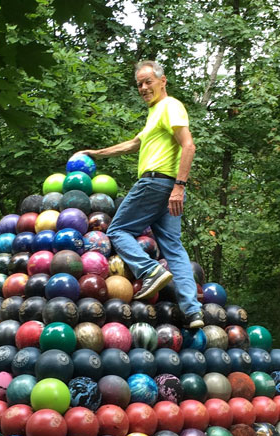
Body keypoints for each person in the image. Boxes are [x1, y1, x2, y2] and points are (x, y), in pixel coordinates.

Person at [75, 60, 203, 328]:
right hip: (166, 188)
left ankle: (149, 270)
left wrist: (180, 186)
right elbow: (134, 144)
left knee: (118, 230)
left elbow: (188, 145)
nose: (144, 88)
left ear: (163, 81)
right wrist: (95, 153)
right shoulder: (155, 113)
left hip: (157, 184)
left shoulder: (171, 106)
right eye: (140, 84)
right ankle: (193, 312)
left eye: (148, 82)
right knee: (174, 248)